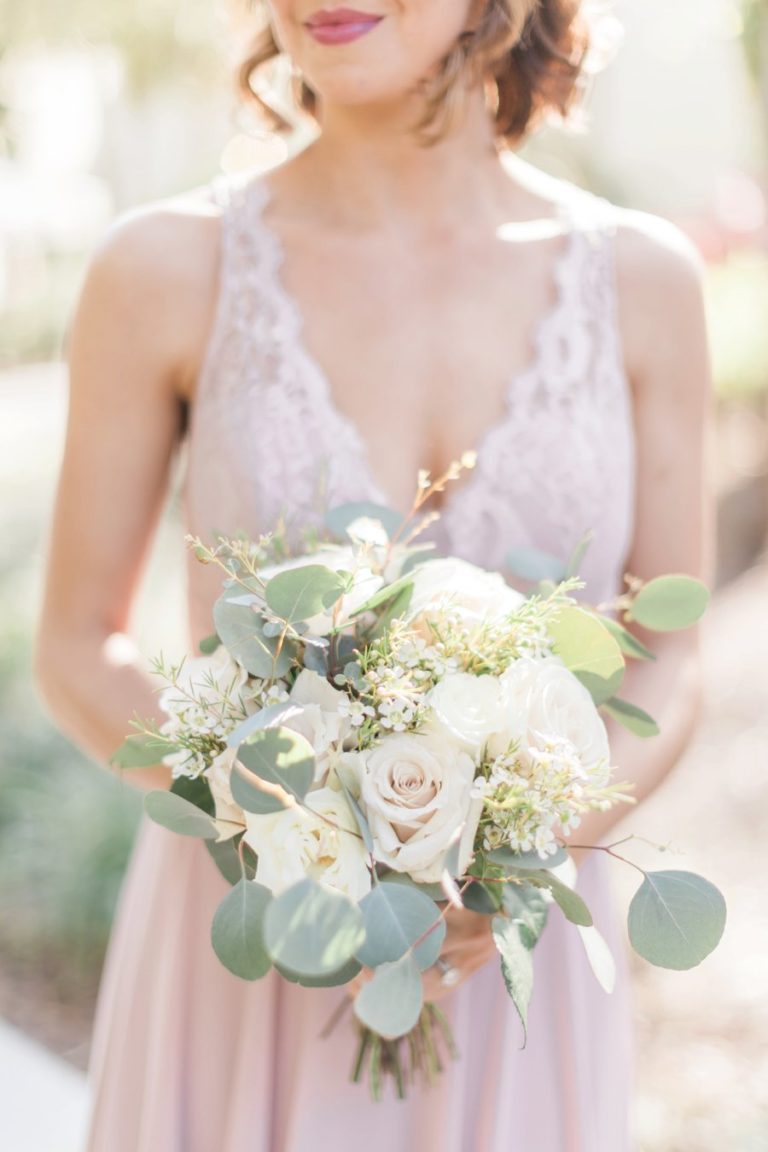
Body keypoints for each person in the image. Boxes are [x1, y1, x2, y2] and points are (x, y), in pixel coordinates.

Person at [34, 1, 712, 1149]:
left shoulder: (643, 282)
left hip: (511, 958)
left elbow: (675, 646)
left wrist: (518, 845)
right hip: (251, 938)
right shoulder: (162, 267)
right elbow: (73, 646)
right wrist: (281, 827)